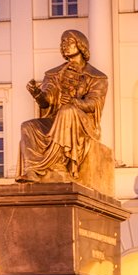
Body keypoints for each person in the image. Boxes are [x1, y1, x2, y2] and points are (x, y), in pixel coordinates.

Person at [17, 30, 114, 189]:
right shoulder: (53, 74)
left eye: (69, 42)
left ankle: (61, 164)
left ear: (81, 45)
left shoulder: (97, 77)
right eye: (63, 42)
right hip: (55, 120)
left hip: (81, 124)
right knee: (28, 126)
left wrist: (74, 102)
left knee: (67, 111)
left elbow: (95, 104)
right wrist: (37, 92)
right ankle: (32, 170)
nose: (65, 45)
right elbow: (46, 102)